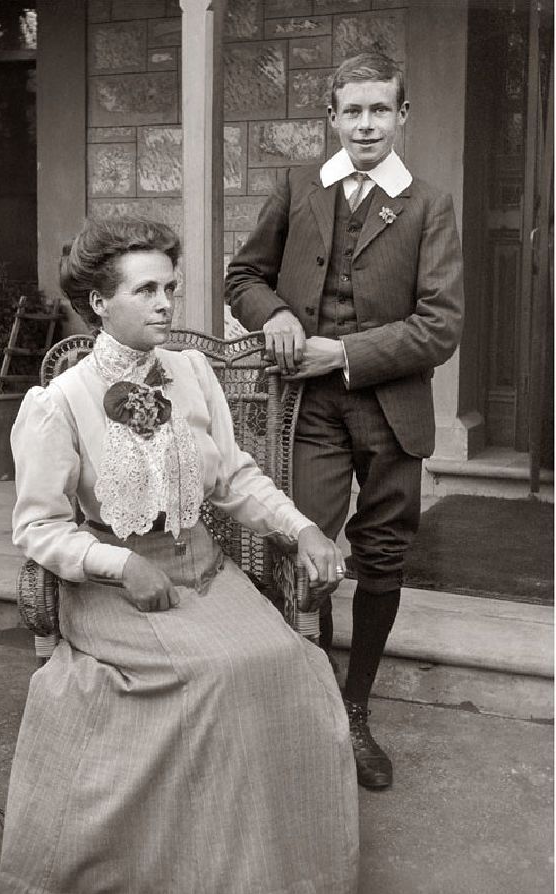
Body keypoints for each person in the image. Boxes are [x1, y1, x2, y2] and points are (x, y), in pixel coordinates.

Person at [0, 216, 360, 894]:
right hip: (116, 590)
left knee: (291, 665)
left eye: (170, 286)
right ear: (100, 303)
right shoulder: (62, 403)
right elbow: (37, 528)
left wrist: (302, 532)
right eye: (146, 290)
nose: (166, 304)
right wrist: (117, 561)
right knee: (223, 684)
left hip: (203, 569)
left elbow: (232, 479)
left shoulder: (192, 375)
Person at [225, 51, 464, 792]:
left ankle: (356, 713)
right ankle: (306, 700)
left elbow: (440, 325)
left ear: (403, 117)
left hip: (393, 413)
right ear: (331, 116)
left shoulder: (429, 206)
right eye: (351, 110)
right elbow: (243, 278)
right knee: (305, 552)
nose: (365, 124)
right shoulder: (299, 188)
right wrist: (278, 320)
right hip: (310, 410)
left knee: (382, 561)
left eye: (379, 110)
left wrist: (346, 351)